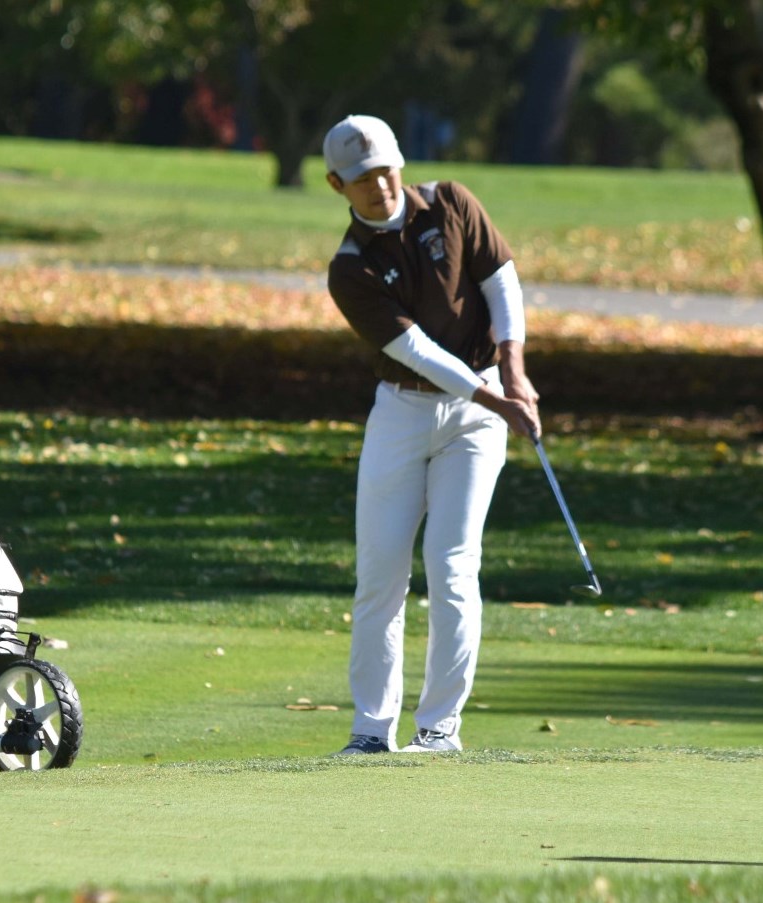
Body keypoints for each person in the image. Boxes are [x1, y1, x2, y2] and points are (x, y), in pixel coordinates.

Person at [322, 114, 541, 755]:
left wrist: (514, 371)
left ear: (399, 162)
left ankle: (440, 727)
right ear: (338, 184)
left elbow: (501, 281)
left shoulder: (451, 202)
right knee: (381, 576)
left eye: (386, 168)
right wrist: (498, 399)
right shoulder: (350, 268)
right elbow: (415, 350)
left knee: (452, 568)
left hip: (476, 416)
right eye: (363, 178)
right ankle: (370, 731)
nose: (380, 185)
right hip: (404, 412)